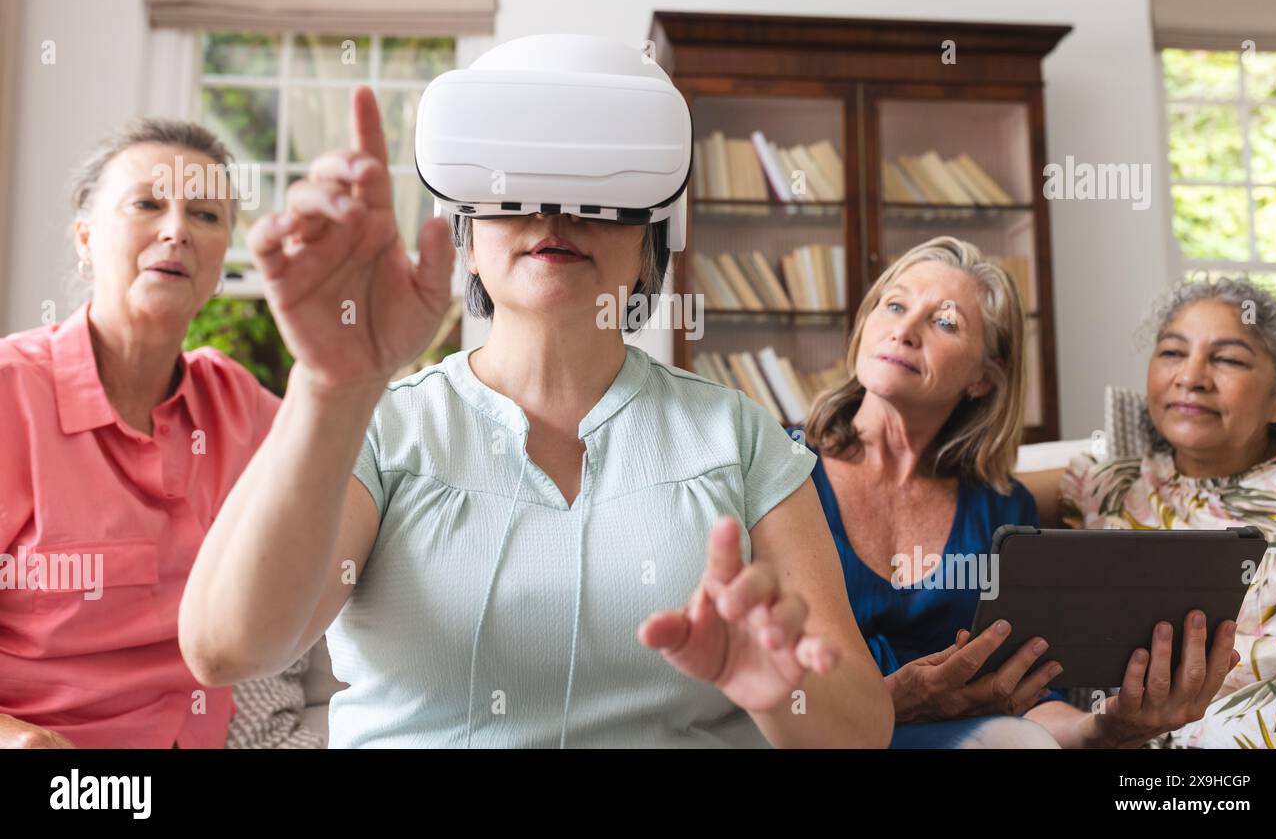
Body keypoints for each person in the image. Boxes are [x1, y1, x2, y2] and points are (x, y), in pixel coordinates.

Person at [178, 85, 894, 748]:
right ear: (464, 239)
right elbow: (225, 647)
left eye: (598, 193)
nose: (555, 214)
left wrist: (776, 691)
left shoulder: (737, 434)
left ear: (650, 250)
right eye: (513, 191)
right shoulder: (385, 427)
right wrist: (331, 384)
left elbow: (863, 729)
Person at [801, 237, 1238, 748]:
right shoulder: (781, 474)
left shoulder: (1001, 508)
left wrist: (1109, 726)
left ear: (984, 378)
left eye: (944, 322)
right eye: (895, 305)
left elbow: (1028, 697)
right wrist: (889, 701)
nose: (904, 330)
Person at [0, 119, 284, 747]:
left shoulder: (236, 403)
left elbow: (353, 466)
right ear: (84, 238)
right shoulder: (9, 394)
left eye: (206, 215)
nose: (177, 229)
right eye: (148, 204)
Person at [1023, 275, 1276, 748]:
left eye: (1228, 359)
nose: (1190, 378)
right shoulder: (1107, 484)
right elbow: (972, 494)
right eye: (1172, 352)